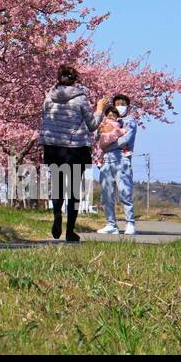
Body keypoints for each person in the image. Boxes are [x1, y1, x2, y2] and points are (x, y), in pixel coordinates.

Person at [39, 64, 109, 242]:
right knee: (73, 191)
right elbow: (92, 125)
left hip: (53, 147)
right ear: (75, 79)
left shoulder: (48, 97)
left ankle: (56, 216)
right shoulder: (80, 99)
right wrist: (100, 109)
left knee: (58, 186)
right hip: (75, 148)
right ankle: (70, 231)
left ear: (58, 78)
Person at [96, 93, 138, 235]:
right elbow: (98, 137)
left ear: (128, 105)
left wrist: (107, 147)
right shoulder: (108, 120)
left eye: (122, 103)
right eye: (117, 104)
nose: (120, 106)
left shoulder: (130, 121)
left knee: (125, 192)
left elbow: (126, 140)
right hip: (106, 161)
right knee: (106, 194)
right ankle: (111, 224)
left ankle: (130, 223)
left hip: (122, 160)